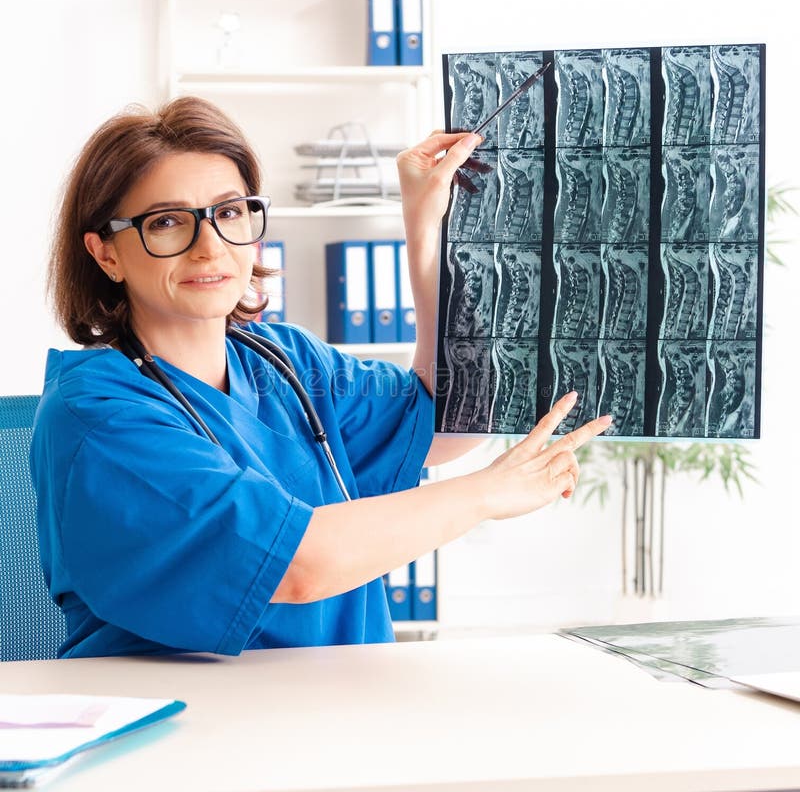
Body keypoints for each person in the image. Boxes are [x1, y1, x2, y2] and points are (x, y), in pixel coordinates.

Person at [30, 96, 611, 658]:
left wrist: (423, 231)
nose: (209, 247)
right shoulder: (96, 414)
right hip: (188, 724)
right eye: (165, 222)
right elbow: (296, 564)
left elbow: (449, 422)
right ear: (106, 254)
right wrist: (488, 491)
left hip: (340, 701)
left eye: (229, 213)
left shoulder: (285, 363)